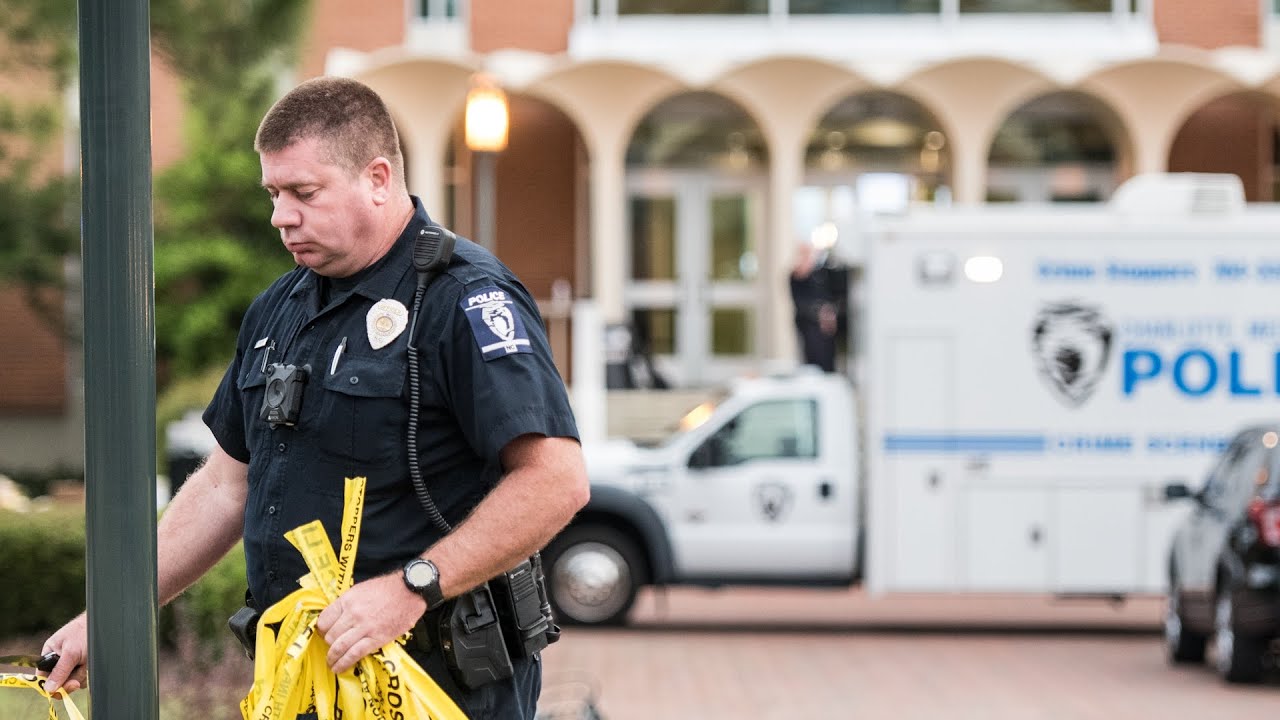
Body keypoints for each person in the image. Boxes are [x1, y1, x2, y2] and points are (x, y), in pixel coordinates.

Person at [41, 76, 590, 719]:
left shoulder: (462, 299)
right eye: (274, 194)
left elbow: (556, 481)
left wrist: (413, 587)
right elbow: (225, 487)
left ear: (378, 179)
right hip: (304, 681)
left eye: (304, 192)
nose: (281, 216)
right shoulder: (281, 307)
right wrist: (108, 619)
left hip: (438, 682)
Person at [788, 242, 847, 372]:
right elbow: (800, 303)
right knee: (812, 362)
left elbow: (833, 295)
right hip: (808, 327)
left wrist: (829, 313)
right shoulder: (795, 276)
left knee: (827, 361)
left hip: (826, 330)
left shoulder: (821, 274)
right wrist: (819, 312)